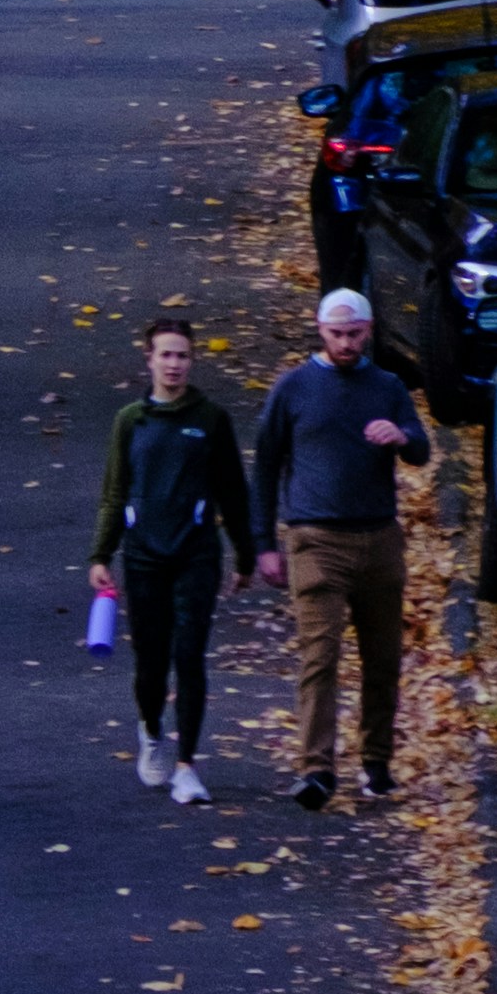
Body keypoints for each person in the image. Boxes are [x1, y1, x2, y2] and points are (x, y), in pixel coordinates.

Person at [252, 281, 433, 806]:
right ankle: (316, 769)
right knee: (320, 656)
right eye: (337, 334)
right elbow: (265, 466)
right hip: (315, 538)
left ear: (370, 332)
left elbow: (420, 448)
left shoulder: (388, 387)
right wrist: (264, 542)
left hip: (379, 537)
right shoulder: (293, 388)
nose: (347, 343)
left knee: (383, 659)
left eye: (355, 334)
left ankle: (376, 763)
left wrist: (401, 438)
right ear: (320, 331)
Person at [88, 306, 255, 807]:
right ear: (150, 361)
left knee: (190, 655)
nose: (175, 365)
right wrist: (101, 553)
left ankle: (187, 767)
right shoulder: (130, 422)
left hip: (196, 553)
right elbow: (115, 493)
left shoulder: (210, 420)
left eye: (183, 356)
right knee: (151, 662)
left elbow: (233, 492)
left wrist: (245, 556)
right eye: (166, 355)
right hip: (143, 556)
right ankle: (151, 730)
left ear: (193, 361)